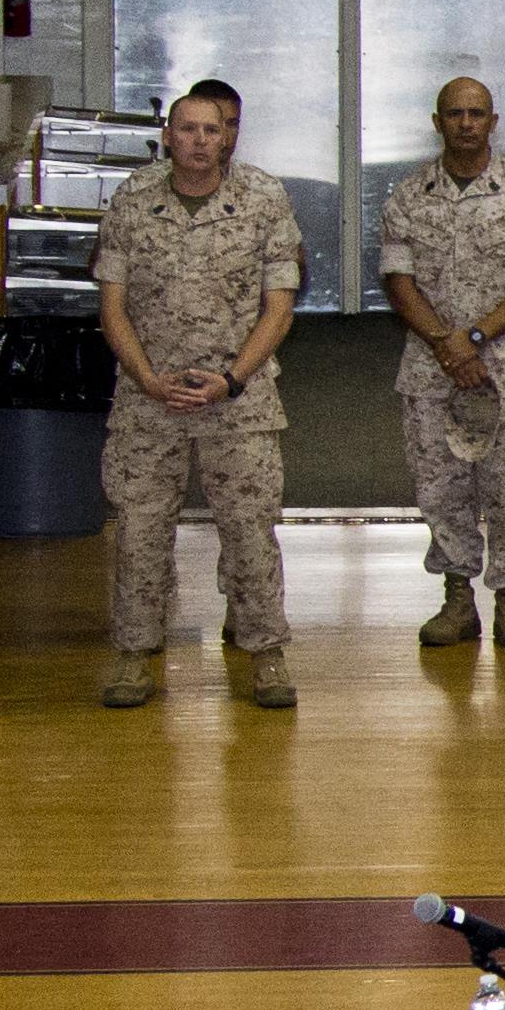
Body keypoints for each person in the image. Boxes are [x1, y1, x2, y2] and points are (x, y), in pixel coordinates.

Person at [94, 78, 298, 715]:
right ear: (168, 136)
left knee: (250, 531)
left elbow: (280, 305)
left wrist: (233, 377)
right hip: (148, 401)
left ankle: (266, 654)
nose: (201, 141)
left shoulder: (263, 198)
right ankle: (133, 656)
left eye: (213, 130)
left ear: (228, 136)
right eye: (188, 129)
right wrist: (148, 377)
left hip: (238, 401)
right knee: (139, 531)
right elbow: (111, 306)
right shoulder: (132, 201)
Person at [376, 79, 505, 655]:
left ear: (493, 120)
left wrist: (475, 338)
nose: (465, 123)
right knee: (441, 488)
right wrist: (444, 344)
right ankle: (458, 599)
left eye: (476, 114)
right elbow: (397, 280)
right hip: (433, 369)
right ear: (437, 122)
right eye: (454, 114)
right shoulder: (407, 196)